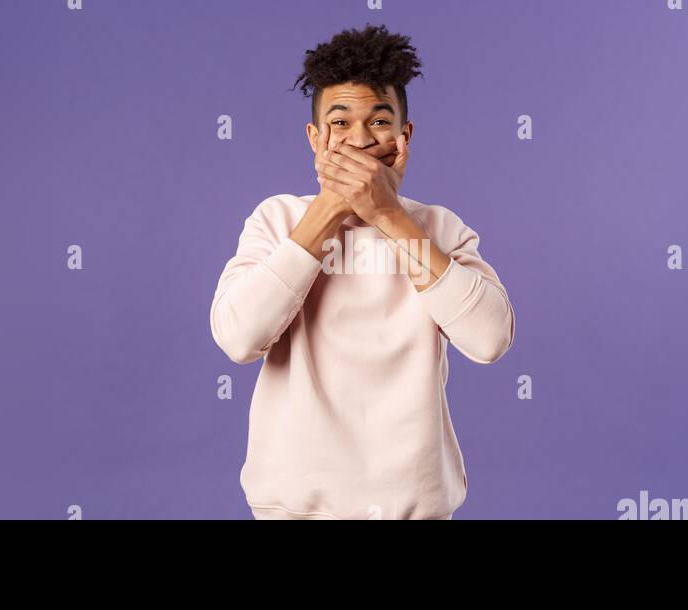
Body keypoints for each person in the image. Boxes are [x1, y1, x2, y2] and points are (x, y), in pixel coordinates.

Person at [210, 24, 515, 520]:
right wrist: (330, 207)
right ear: (314, 139)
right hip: (291, 509)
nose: (358, 141)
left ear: (404, 135)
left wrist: (387, 215)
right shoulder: (277, 220)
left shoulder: (439, 227)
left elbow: (489, 339)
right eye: (340, 123)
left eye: (377, 122)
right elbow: (239, 338)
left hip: (414, 509)